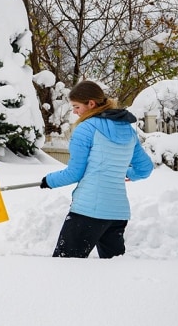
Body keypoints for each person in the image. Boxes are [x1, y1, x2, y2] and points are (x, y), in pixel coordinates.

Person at [41, 81, 153, 258]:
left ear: (91, 104)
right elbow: (145, 168)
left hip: (88, 210)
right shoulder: (127, 129)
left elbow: (74, 173)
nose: (74, 112)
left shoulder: (86, 128)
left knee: (65, 268)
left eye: (77, 106)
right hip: (117, 214)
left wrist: (48, 181)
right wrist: (125, 173)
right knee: (111, 272)